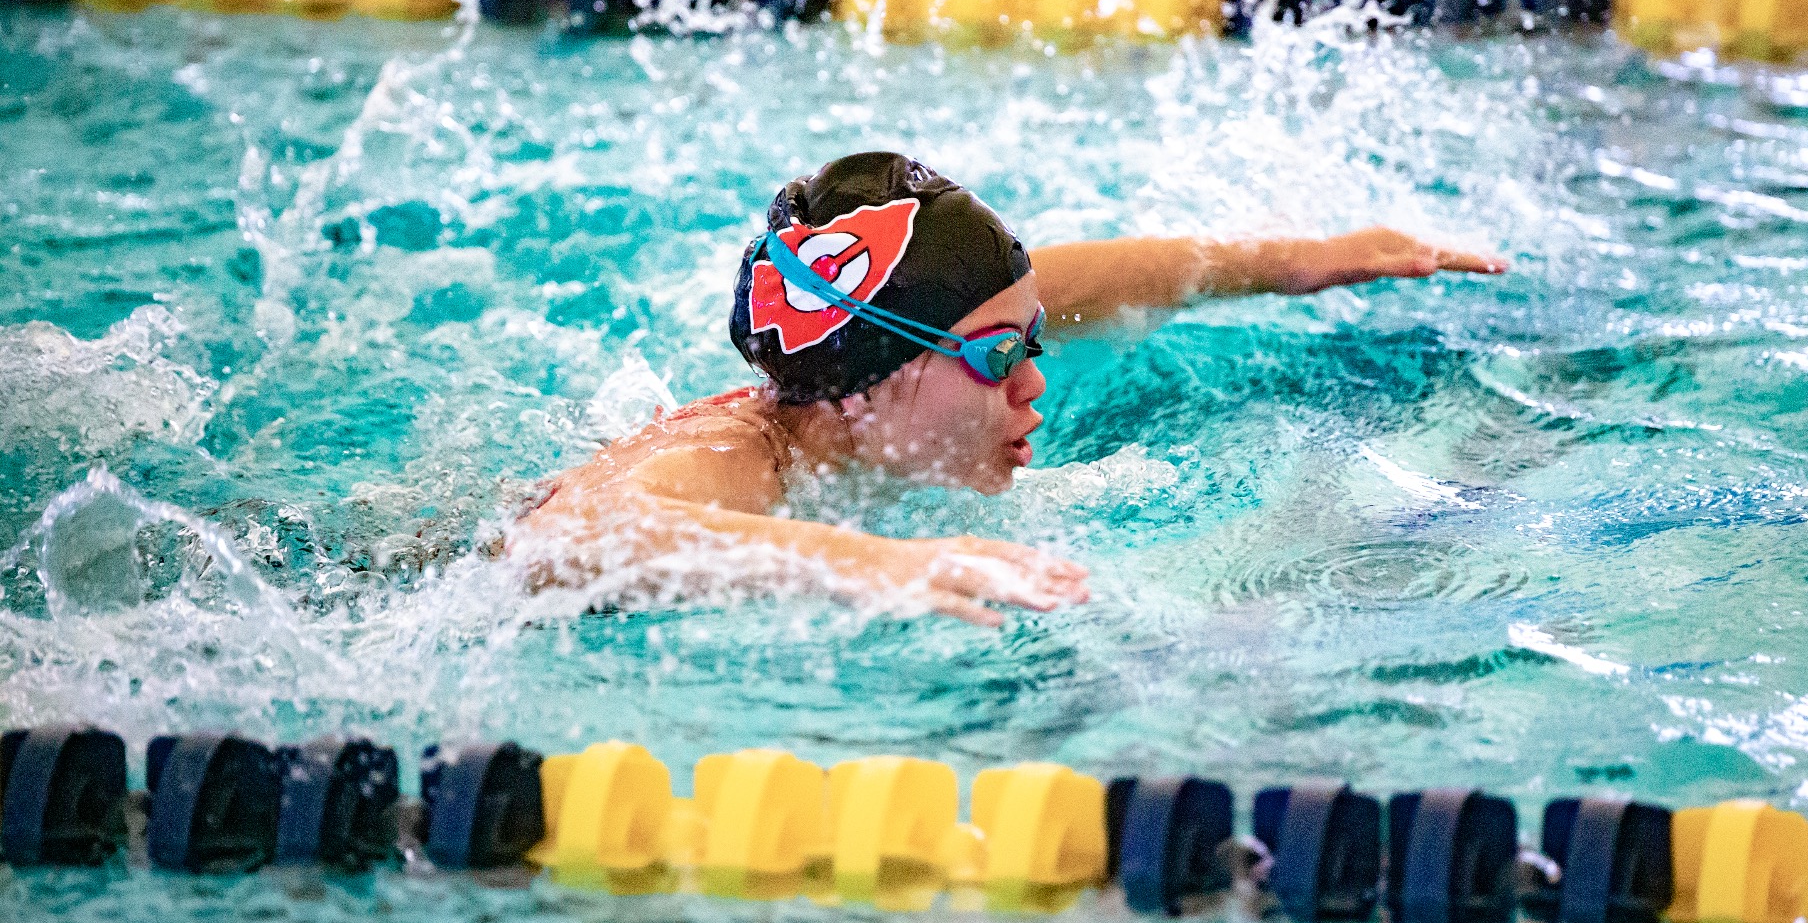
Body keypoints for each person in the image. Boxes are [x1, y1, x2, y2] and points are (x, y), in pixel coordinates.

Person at [511, 151, 1504, 625]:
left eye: (1030, 343)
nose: (1034, 383)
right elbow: (560, 538)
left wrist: (1302, 261)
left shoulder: (878, 372)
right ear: (866, 376)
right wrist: (876, 564)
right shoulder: (735, 460)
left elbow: (1097, 278)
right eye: (997, 359)